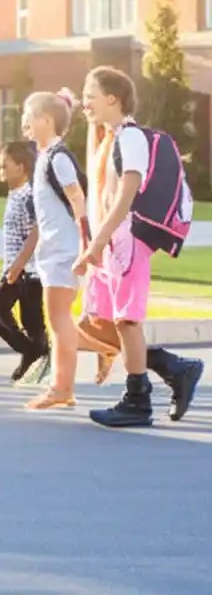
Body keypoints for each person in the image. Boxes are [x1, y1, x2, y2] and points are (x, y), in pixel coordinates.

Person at [73, 66, 204, 427]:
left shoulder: (130, 138)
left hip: (124, 242)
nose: (85, 102)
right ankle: (173, 367)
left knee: (127, 321)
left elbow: (128, 193)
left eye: (90, 94)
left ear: (112, 98)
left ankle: (137, 401)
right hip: (107, 243)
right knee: (96, 322)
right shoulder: (108, 139)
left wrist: (98, 242)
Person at [23, 91, 89, 410]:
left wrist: (87, 244)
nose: (25, 122)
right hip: (55, 250)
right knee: (60, 319)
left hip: (63, 250)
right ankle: (64, 384)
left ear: (46, 120)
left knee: (59, 318)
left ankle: (61, 388)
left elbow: (77, 198)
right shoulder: (46, 157)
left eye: (29, 115)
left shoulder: (56, 157)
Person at [0, 140, 50, 385]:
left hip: (25, 271)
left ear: (21, 166)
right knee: (32, 322)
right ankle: (37, 359)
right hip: (21, 269)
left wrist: (18, 265)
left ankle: (33, 354)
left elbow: (39, 230)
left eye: (5, 164)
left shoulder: (29, 195)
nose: (0, 167)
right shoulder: (16, 194)